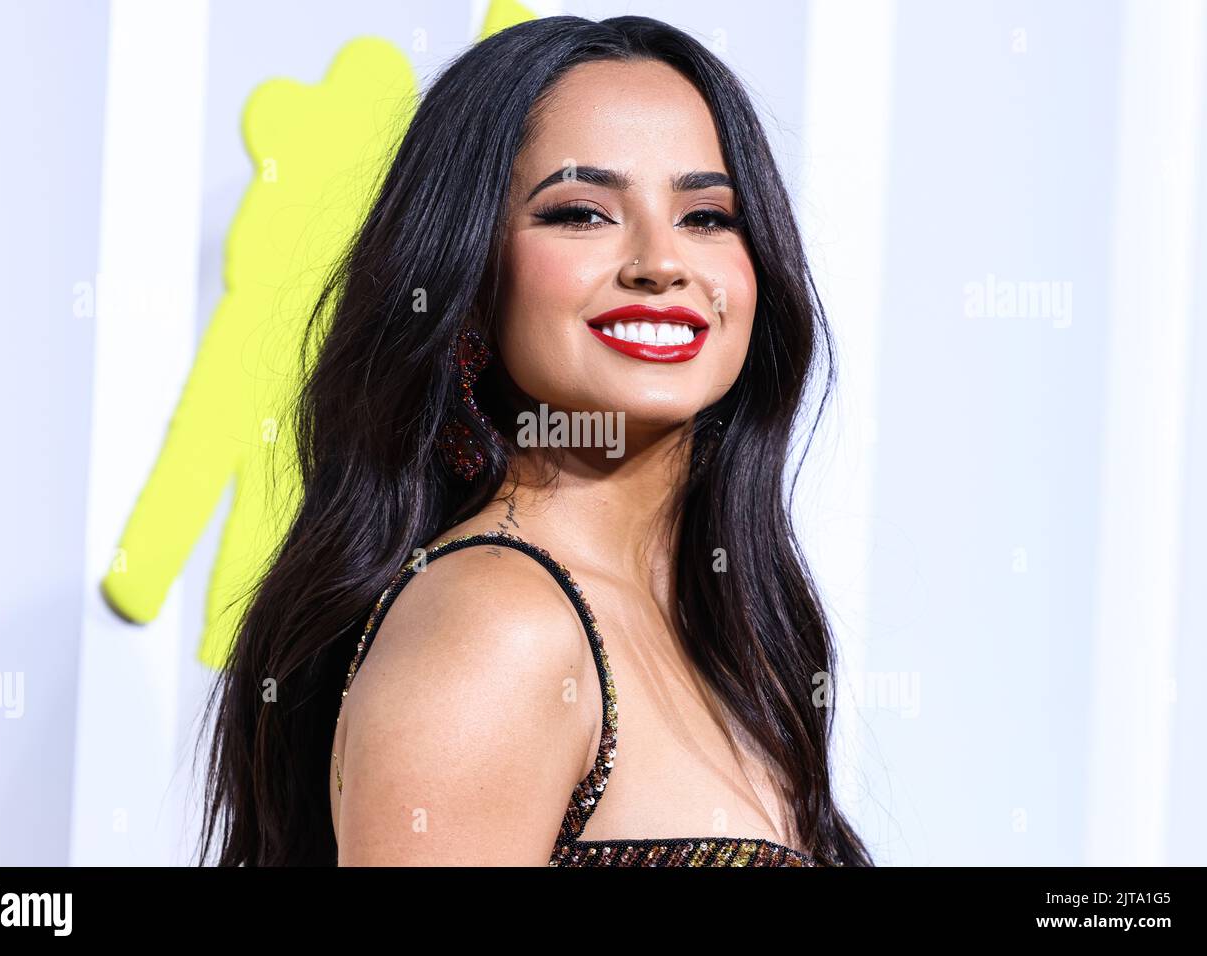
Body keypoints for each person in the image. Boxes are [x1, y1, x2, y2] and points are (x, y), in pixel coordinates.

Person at [199, 14, 872, 867]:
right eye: (582, 212)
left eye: (706, 216)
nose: (660, 262)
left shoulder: (744, 642)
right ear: (473, 283)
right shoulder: (496, 626)